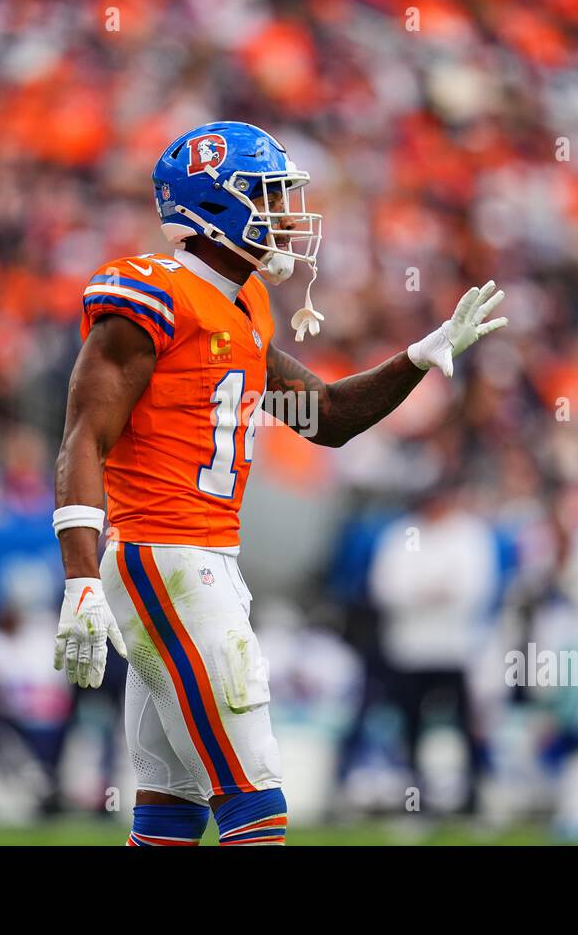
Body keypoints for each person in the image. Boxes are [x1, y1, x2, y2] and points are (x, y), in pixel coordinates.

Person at [52, 121, 511, 846]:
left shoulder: (243, 306)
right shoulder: (153, 297)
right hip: (169, 557)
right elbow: (84, 437)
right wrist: (78, 577)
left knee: (170, 806)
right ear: (214, 209)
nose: (287, 216)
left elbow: (323, 415)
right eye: (267, 196)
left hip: (194, 561)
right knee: (254, 799)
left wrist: (418, 359)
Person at [365, 484, 498, 813]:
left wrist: (429, 595)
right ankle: (415, 803)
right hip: (410, 650)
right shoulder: (400, 536)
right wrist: (427, 593)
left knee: (468, 726)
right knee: (412, 729)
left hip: (457, 649)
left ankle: (474, 801)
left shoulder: (470, 535)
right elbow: (385, 588)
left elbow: (476, 588)